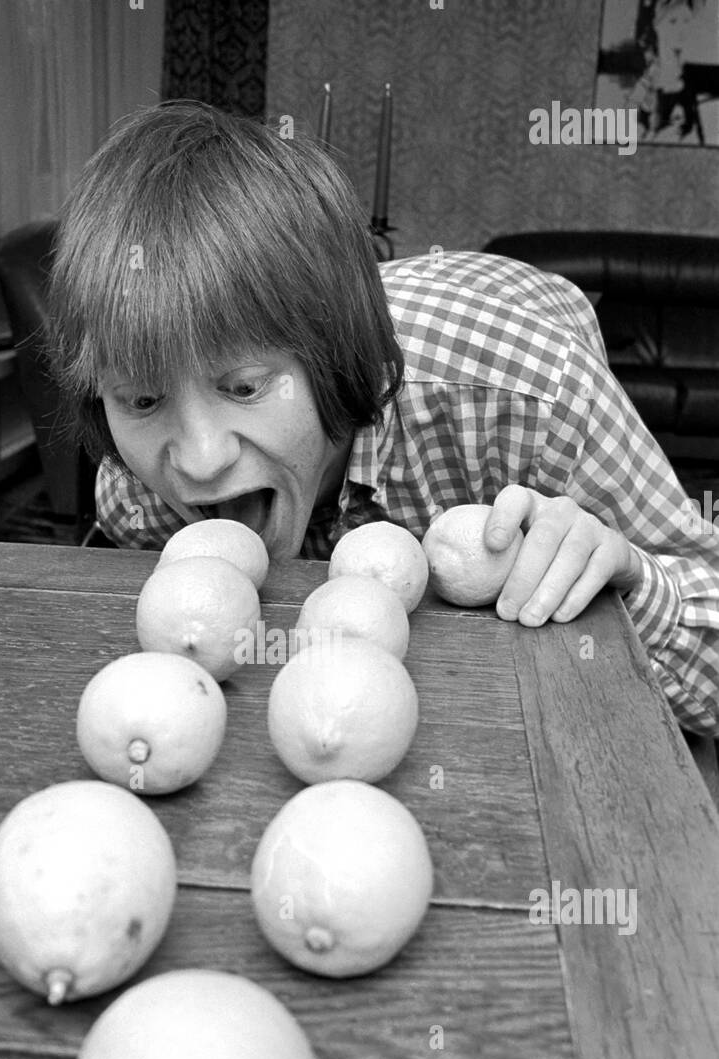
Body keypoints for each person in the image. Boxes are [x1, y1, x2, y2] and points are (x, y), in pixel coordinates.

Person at [48, 101, 719, 735]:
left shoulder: (528, 398)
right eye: (142, 399)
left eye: (245, 387)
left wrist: (632, 577)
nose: (196, 460)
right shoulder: (136, 486)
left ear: (337, 358)